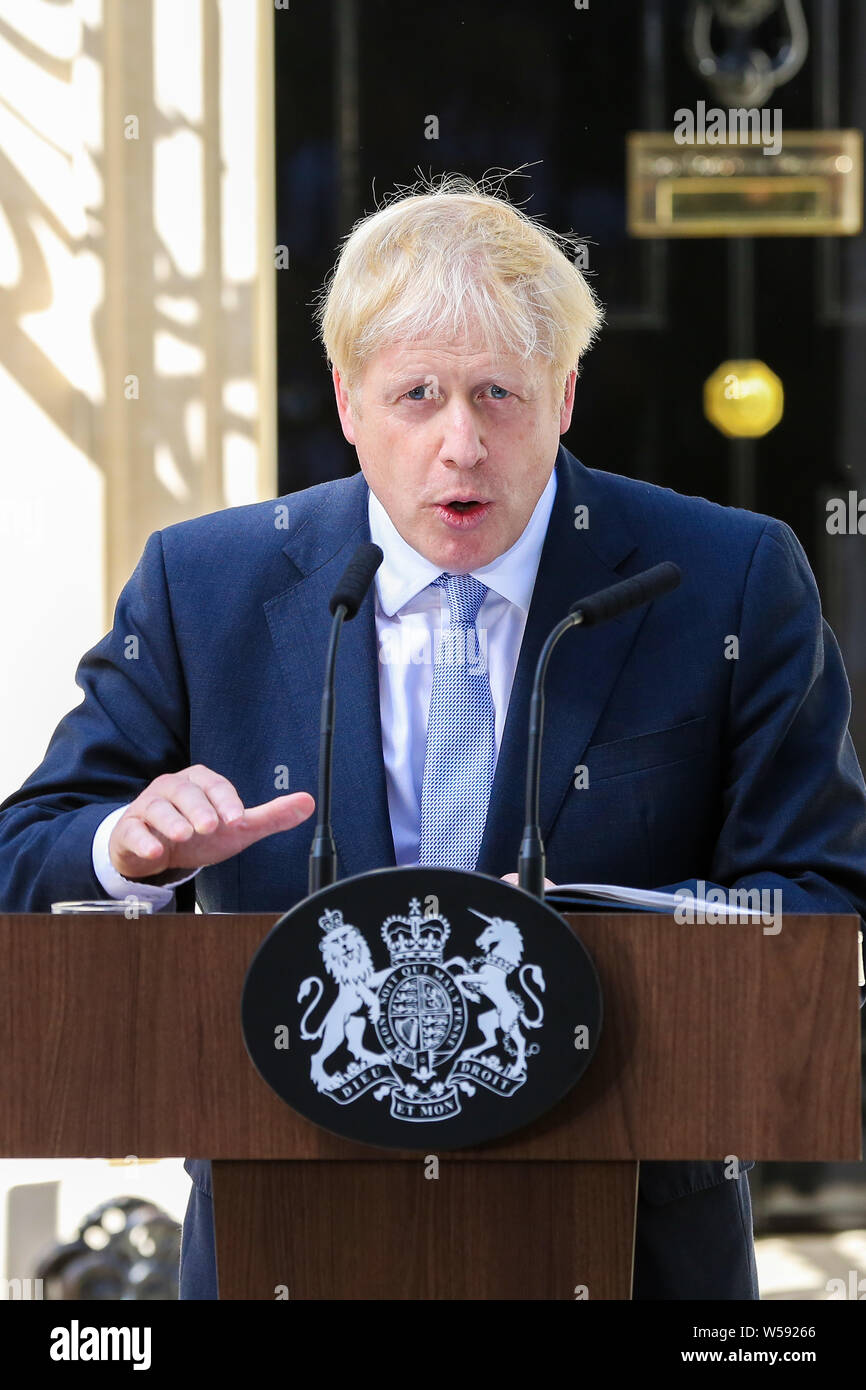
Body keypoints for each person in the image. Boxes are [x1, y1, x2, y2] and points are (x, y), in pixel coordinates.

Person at [1, 174, 865, 1301]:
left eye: (498, 394)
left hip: (628, 1238)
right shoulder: (206, 582)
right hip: (290, 1235)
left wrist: (618, 935)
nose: (460, 445)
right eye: (414, 395)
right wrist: (129, 847)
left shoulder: (724, 577)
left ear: (562, 395)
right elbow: (28, 857)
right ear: (345, 399)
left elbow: (817, 895)